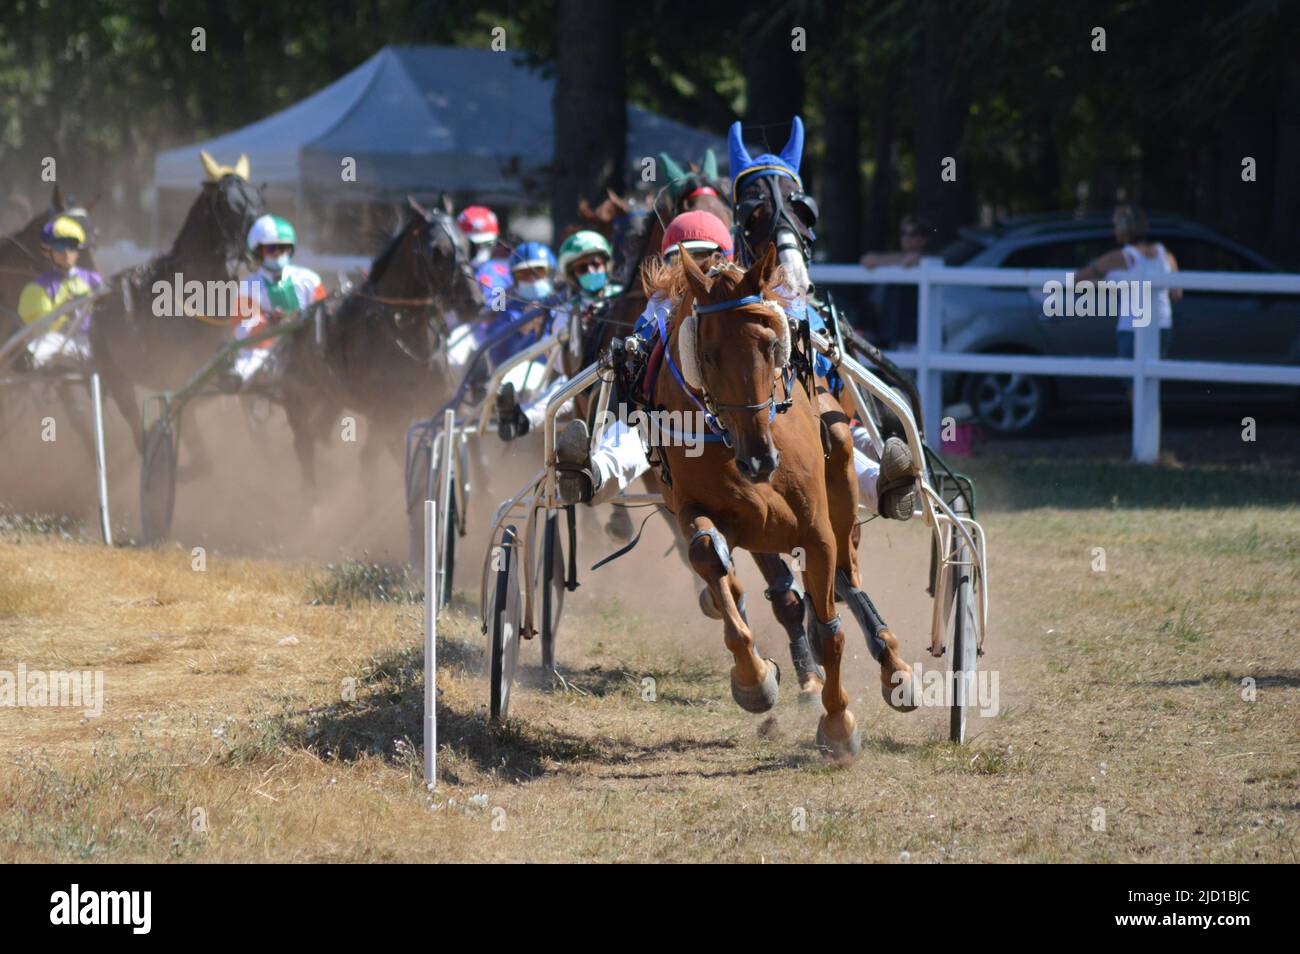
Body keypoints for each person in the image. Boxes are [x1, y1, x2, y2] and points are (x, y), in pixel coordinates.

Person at [551, 210, 916, 521]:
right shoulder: (661, 304)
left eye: (704, 256)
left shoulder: (751, 296)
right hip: (677, 424)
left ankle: (882, 487)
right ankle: (590, 477)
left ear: (725, 257)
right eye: (681, 259)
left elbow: (792, 322)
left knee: (828, 432)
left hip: (761, 411)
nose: (693, 269)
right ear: (665, 263)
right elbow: (643, 346)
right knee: (631, 437)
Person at [495, 233, 619, 440]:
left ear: (606, 264)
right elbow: (564, 364)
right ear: (572, 274)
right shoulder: (565, 311)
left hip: (627, 374)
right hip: (586, 378)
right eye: (582, 268)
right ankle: (521, 420)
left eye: (596, 264)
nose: (591, 271)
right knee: (567, 384)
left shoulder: (626, 298)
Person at [1074, 205, 1180, 360]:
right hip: (1162, 325)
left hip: (1132, 328)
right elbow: (1177, 293)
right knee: (1153, 379)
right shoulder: (1166, 254)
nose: (1114, 231)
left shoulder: (1122, 257)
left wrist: (1108, 281)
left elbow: (1080, 278)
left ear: (1125, 228)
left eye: (1116, 226)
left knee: (1132, 382)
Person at [230, 214, 325, 384]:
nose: (279, 254)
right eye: (272, 249)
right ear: (258, 251)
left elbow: (325, 317)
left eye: (285, 248)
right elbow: (241, 330)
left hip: (306, 348)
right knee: (240, 377)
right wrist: (267, 321)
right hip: (263, 352)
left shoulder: (310, 280)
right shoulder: (249, 286)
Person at [17, 215, 103, 369]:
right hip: (58, 342)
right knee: (40, 346)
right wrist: (64, 310)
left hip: (91, 340)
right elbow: (39, 328)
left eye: (71, 246)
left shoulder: (94, 280)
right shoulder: (38, 287)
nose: (66, 253)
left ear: (78, 250)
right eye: (59, 247)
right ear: (49, 251)